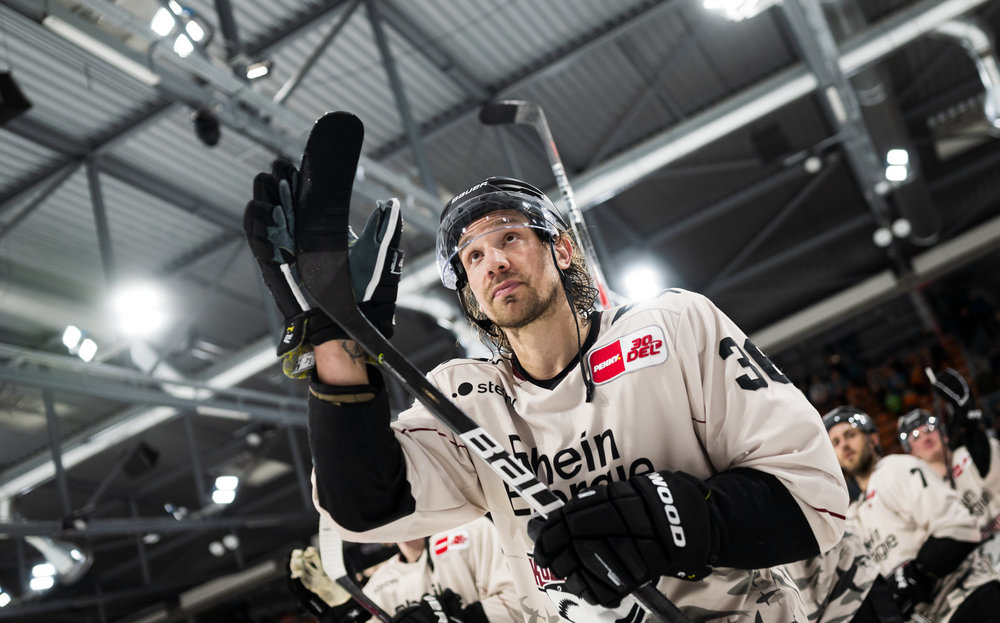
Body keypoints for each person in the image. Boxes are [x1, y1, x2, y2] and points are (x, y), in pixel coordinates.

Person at [243, 113, 849, 623]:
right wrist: (339, 338)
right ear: (469, 294)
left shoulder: (672, 325)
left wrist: (679, 518)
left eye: (509, 238)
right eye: (473, 257)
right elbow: (363, 504)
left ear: (560, 248)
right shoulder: (465, 395)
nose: (493, 262)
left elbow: (813, 498)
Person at [825, 405, 1000, 622]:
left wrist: (917, 573)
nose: (845, 445)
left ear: (873, 439)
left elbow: (959, 528)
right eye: (836, 443)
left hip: (970, 599)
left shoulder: (896, 470)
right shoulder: (853, 513)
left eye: (850, 435)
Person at [289, 516, 523, 623]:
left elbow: (520, 605)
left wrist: (459, 617)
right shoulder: (378, 586)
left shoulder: (470, 531)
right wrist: (340, 609)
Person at [897, 368, 1000, 571]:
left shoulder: (968, 453)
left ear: (943, 435)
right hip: (975, 570)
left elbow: (987, 459)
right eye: (915, 437)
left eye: (928, 429)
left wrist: (969, 418)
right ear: (912, 454)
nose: (925, 437)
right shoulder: (920, 490)